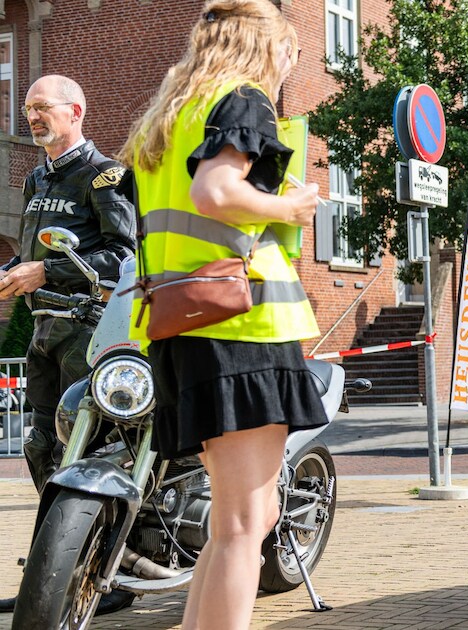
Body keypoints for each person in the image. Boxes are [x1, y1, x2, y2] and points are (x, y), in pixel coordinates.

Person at [118, 2, 324, 627]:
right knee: (242, 525)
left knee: (244, 519)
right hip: (242, 327)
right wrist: (287, 208)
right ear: (259, 46)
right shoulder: (242, 100)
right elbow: (215, 192)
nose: (289, 64)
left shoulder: (168, 119)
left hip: (181, 326)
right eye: (287, 51)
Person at [0, 75, 138, 615]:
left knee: (91, 450)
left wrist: (45, 269)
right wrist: (14, 272)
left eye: (43, 107)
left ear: (75, 110)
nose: (33, 117)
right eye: (28, 109)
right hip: (42, 331)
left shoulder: (105, 176)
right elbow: (32, 261)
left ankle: (115, 574)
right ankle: (52, 575)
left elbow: (124, 256)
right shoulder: (36, 179)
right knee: (41, 447)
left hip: (88, 328)